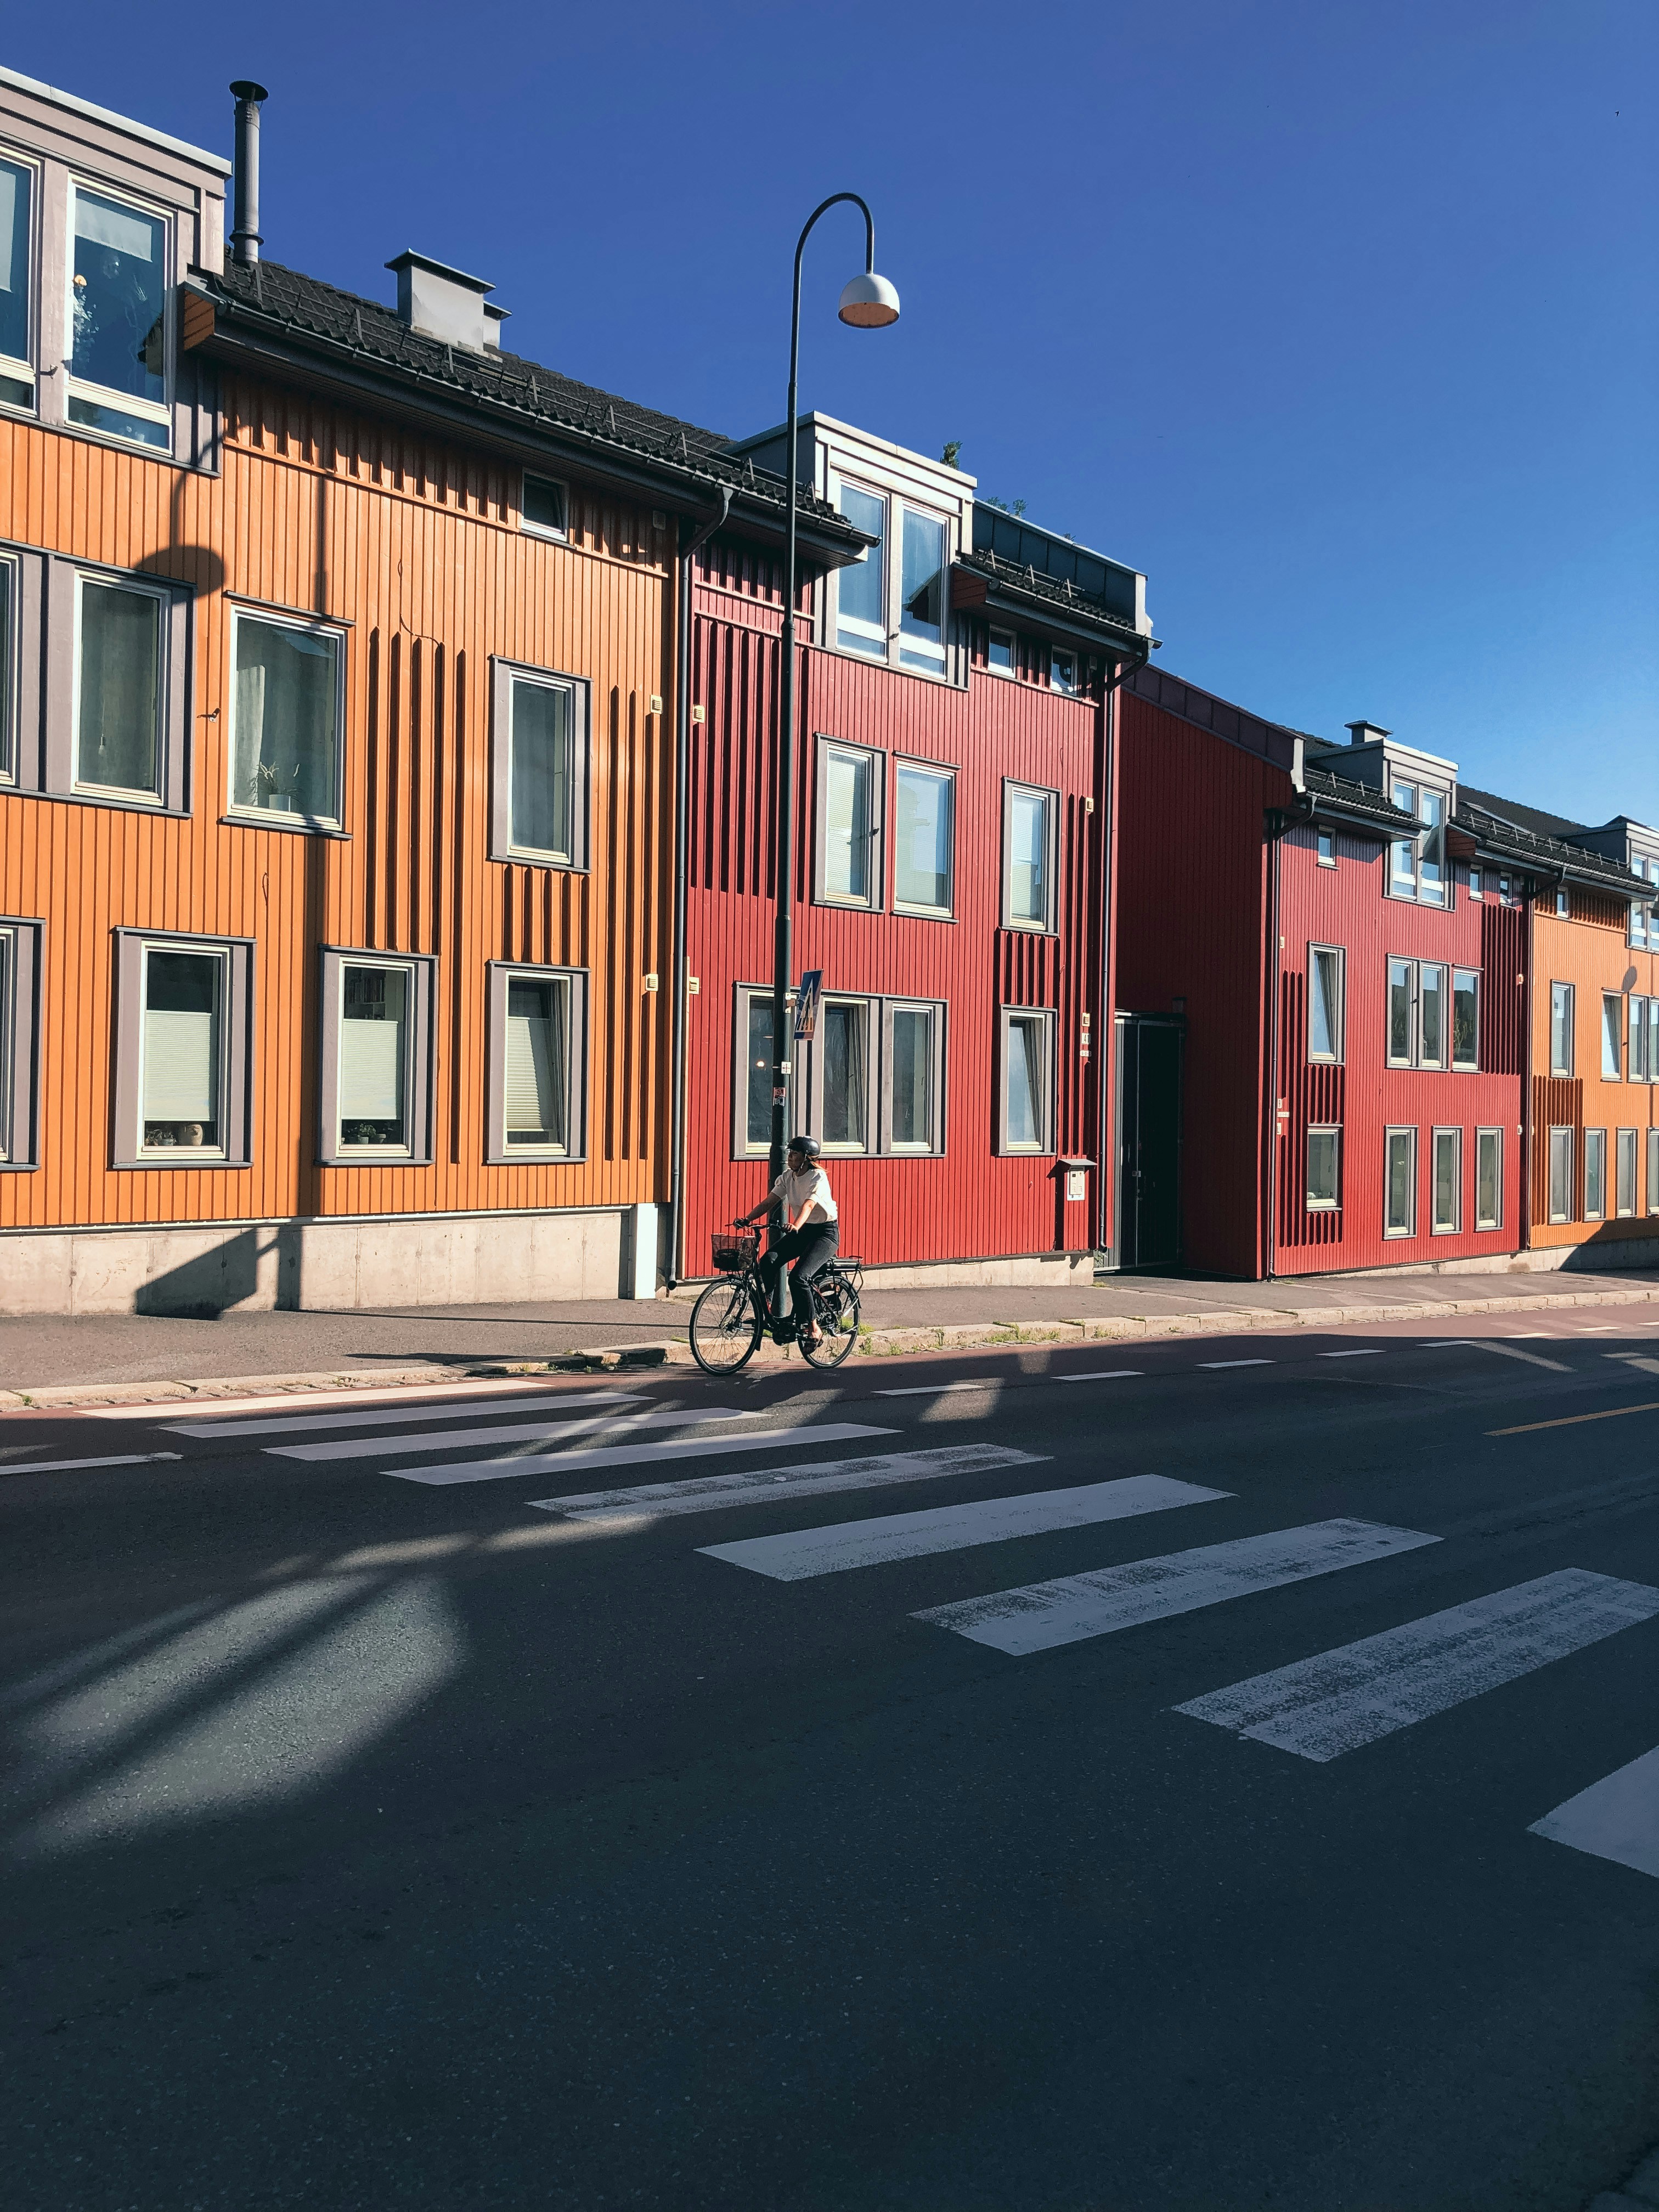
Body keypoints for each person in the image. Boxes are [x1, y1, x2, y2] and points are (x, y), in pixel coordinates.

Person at [736, 1135, 839, 1348]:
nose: (789, 1156)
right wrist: (747, 1219)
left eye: (794, 1153)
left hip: (824, 1234)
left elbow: (809, 1205)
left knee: (799, 1278)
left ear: (806, 1158)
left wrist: (795, 1225)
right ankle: (770, 1315)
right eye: (789, 1152)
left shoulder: (817, 1177)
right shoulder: (787, 1177)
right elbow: (769, 1201)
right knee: (768, 1262)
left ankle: (814, 1328)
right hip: (802, 1232)